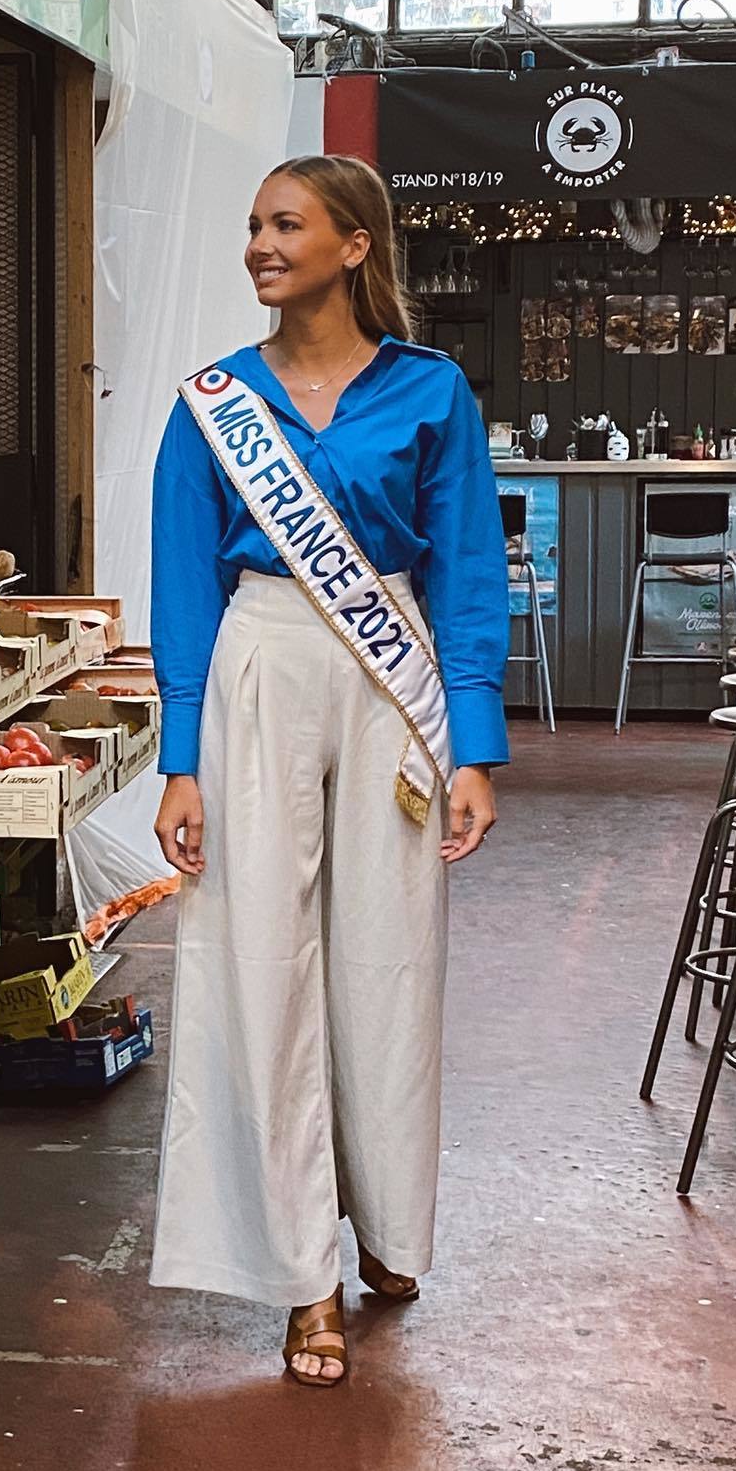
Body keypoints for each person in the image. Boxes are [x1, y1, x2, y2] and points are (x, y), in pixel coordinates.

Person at [148, 154, 509, 1387]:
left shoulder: (430, 391)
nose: (259, 242)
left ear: (355, 246)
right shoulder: (211, 404)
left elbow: (468, 568)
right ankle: (303, 1275)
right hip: (258, 661)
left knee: (389, 947)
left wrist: (474, 740)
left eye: (285, 223)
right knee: (258, 957)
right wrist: (179, 759)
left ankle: (392, 1226)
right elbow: (184, 583)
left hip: (388, 670)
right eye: (252, 223)